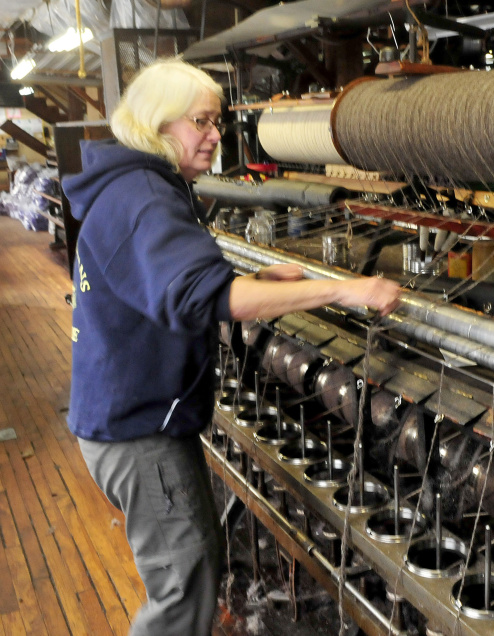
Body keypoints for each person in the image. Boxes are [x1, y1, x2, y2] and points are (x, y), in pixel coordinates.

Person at [63, 58, 401, 636]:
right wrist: (349, 288)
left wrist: (257, 285)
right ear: (157, 125)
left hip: (128, 418)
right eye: (202, 121)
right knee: (183, 589)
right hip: (138, 431)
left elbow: (168, 284)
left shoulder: (137, 188)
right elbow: (199, 297)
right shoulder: (145, 197)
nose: (216, 136)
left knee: (194, 563)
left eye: (216, 121)